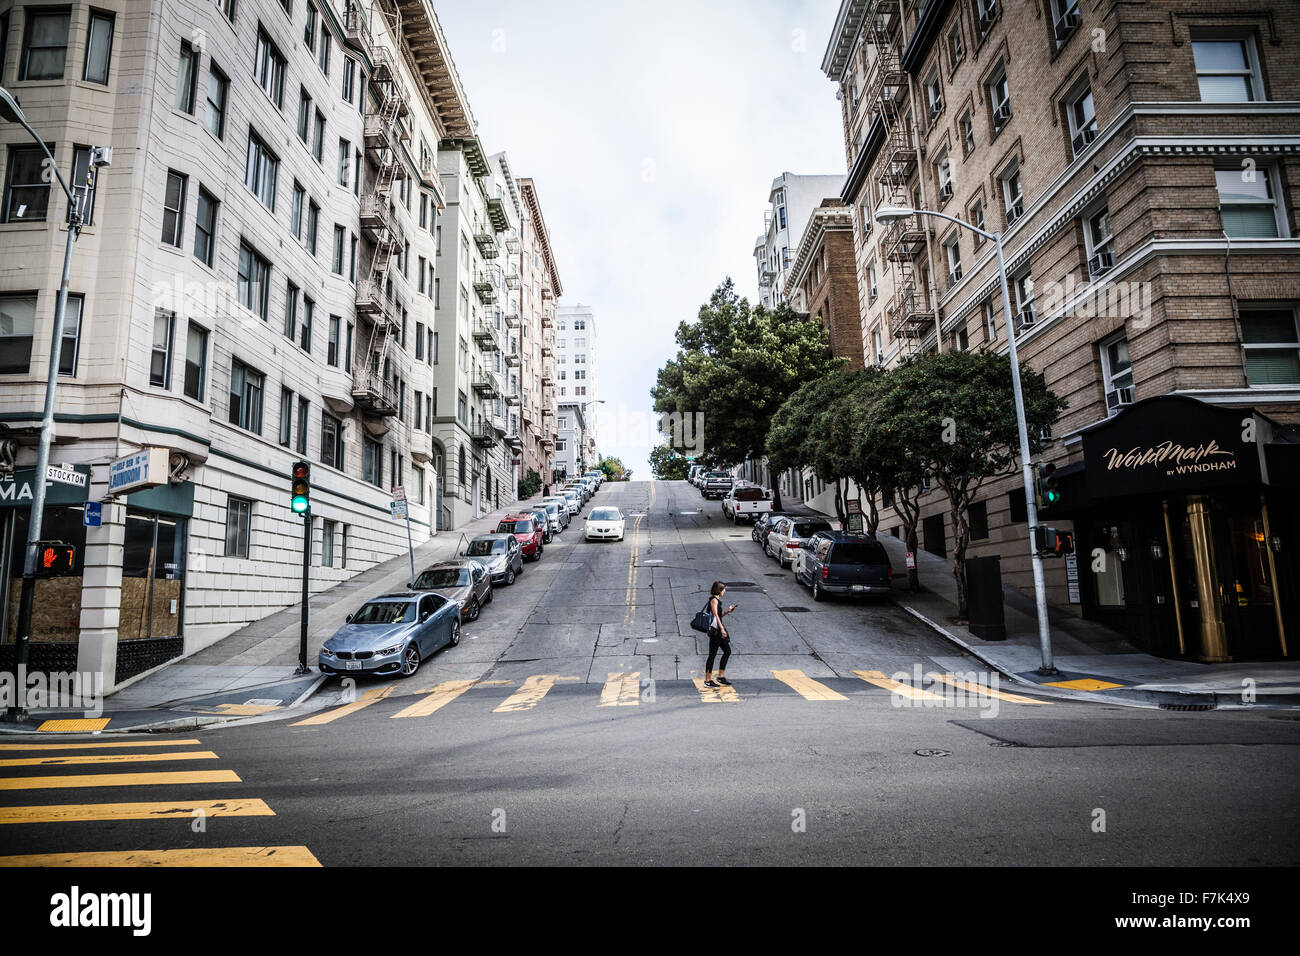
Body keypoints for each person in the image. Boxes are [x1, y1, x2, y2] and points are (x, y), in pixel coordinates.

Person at [702, 581, 737, 688]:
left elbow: (719, 616)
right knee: (712, 655)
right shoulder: (713, 600)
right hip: (715, 632)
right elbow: (716, 616)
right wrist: (722, 629)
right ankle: (707, 680)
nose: (725, 591)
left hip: (719, 631)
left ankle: (721, 677)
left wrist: (728, 611)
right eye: (724, 589)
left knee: (727, 651)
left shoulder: (717, 601)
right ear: (719, 590)